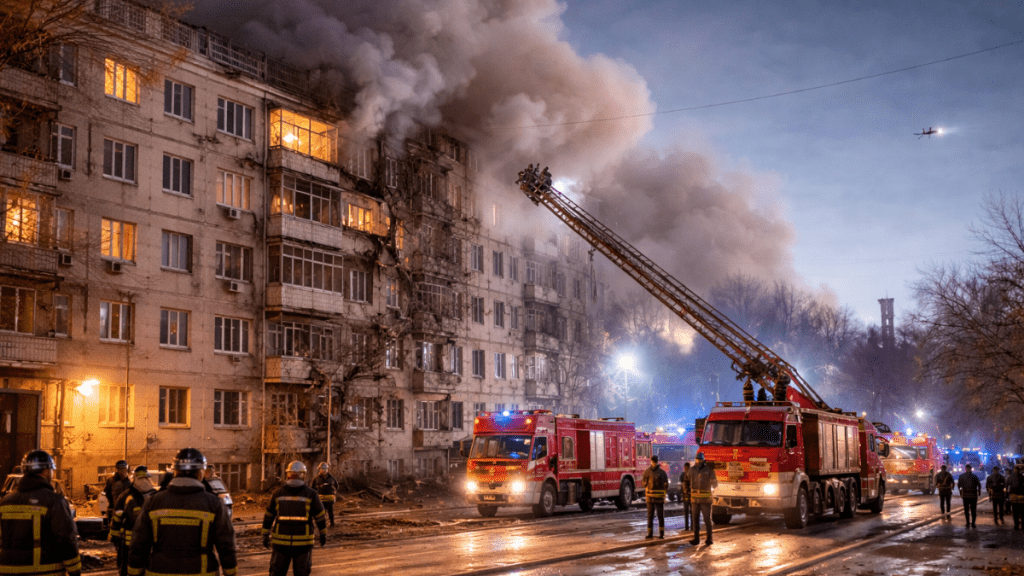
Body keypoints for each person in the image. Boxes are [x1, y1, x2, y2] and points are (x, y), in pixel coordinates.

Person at [127, 448, 237, 576]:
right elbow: (226, 543)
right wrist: (230, 571)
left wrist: (135, 571)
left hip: (159, 571)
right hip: (201, 571)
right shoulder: (214, 503)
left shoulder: (153, 502)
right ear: (200, 473)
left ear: (175, 472)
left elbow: (139, 542)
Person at [0, 450, 82, 576]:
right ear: (46, 471)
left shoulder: (5, 501)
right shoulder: (55, 501)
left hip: (7, 571)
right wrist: (74, 571)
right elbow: (66, 539)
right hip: (45, 570)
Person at [262, 461, 328, 576]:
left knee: (277, 573)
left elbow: (268, 516)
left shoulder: (277, 493)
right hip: (303, 544)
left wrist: (265, 535)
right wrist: (323, 534)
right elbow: (320, 517)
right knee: (302, 573)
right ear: (303, 475)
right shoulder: (311, 494)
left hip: (281, 543)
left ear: (287, 474)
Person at [109, 466, 156, 576]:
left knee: (127, 567)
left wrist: (114, 537)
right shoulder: (156, 496)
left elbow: (117, 516)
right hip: (149, 543)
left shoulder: (125, 496)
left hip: (128, 543)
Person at [686, 452, 717, 545]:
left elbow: (715, 483)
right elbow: (686, 481)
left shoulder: (709, 470)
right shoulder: (691, 470)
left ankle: (709, 539)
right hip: (695, 500)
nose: (698, 461)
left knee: (707, 519)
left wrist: (712, 484)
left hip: (705, 500)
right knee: (695, 520)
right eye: (697, 459)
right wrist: (686, 491)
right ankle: (696, 539)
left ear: (703, 460)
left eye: (699, 459)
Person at [641, 455, 668, 539]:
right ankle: (656, 534)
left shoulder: (647, 472)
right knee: (655, 516)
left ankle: (656, 534)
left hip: (654, 498)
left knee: (655, 516)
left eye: (653, 462)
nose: (653, 463)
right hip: (654, 498)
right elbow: (666, 485)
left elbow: (644, 483)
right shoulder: (662, 472)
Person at [310, 462, 339, 528]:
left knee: (330, 512)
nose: (324, 470)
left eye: (325, 469)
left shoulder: (331, 478)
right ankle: (322, 525)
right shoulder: (316, 479)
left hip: (330, 500)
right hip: (320, 500)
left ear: (327, 469)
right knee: (321, 512)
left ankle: (332, 524)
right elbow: (312, 488)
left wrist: (333, 492)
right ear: (319, 469)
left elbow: (336, 486)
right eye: (322, 469)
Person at [104, 460, 132, 524]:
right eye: (120, 468)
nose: (122, 470)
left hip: (125, 511)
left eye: (123, 468)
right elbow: (107, 494)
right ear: (117, 469)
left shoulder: (129, 482)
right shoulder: (111, 481)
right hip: (115, 510)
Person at [958, 463, 981, 528]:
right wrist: (978, 493)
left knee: (966, 510)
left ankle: (968, 523)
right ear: (971, 469)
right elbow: (979, 485)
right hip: (973, 496)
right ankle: (973, 523)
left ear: (965, 469)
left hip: (965, 496)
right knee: (973, 510)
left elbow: (959, 486)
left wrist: (961, 493)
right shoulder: (974, 476)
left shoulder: (961, 476)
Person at [1008, 464, 1024, 530]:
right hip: (1020, 497)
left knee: (1016, 512)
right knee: (1021, 512)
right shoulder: (1022, 477)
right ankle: (1021, 525)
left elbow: (1007, 485)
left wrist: (1008, 494)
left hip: (1015, 496)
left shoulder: (1011, 477)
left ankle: (1016, 525)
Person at [680, 462, 692, 530]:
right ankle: (690, 527)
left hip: (686, 495)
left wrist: (681, 494)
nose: (685, 469)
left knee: (687, 512)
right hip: (689, 495)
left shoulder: (683, 474)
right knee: (690, 512)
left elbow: (682, 485)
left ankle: (687, 527)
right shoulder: (691, 474)